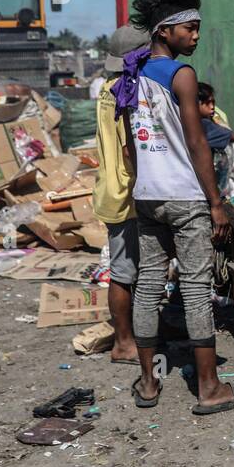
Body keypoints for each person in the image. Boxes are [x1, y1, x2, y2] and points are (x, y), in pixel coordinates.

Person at [118, 0, 234, 415]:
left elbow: (129, 145)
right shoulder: (181, 75)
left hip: (148, 197)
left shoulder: (132, 76)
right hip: (184, 197)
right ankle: (210, 388)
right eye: (190, 29)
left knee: (148, 288)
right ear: (165, 31)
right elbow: (198, 143)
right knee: (196, 290)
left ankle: (147, 383)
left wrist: (145, 183)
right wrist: (215, 202)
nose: (196, 36)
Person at [93, 23, 148, 366]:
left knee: (125, 271)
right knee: (125, 273)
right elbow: (131, 148)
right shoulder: (127, 92)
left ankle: (131, 337)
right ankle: (125, 343)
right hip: (127, 192)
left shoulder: (106, 89)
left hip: (110, 189)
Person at [196, 82, 234, 193]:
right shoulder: (206, 124)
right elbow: (232, 136)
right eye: (208, 103)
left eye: (213, 102)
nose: (212, 107)